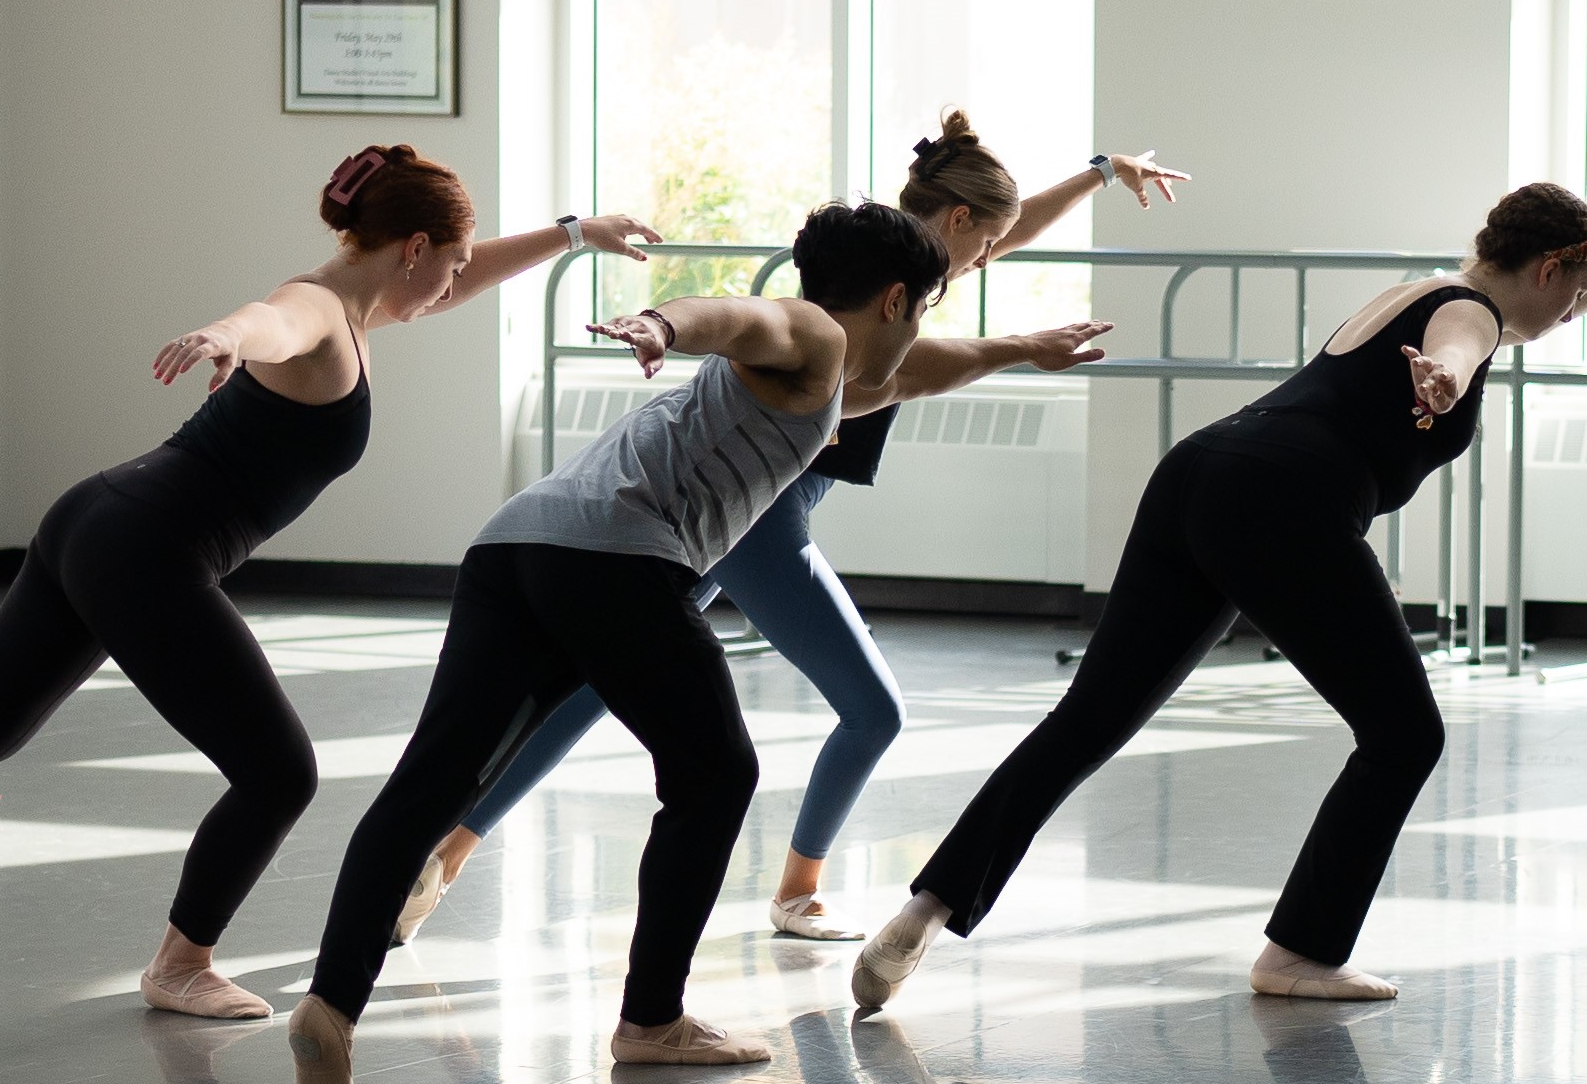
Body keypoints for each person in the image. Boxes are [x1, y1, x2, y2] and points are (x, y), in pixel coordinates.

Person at [0, 146, 662, 1025]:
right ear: (412, 247)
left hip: (93, 516)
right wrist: (226, 333)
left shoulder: (364, 300)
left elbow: (433, 287)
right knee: (281, 771)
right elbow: (274, 319)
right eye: (448, 262)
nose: (453, 283)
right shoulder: (318, 311)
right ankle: (181, 961)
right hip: (146, 551)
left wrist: (576, 233)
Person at [848, 183, 1587, 1010]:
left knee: (1090, 717)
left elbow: (1506, 322)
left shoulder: (1430, 290)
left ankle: (923, 910)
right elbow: (1468, 341)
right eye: (1579, 288)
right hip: (1283, 499)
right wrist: (1445, 378)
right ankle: (1301, 950)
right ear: (1548, 267)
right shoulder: (1466, 319)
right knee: (1406, 732)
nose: (1571, 308)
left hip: (1200, 471)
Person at [398, 114, 1186, 943]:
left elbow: (1008, 225)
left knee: (596, 680)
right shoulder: (880, 293)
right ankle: (798, 890)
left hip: (744, 507)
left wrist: (1099, 172)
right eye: (983, 243)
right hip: (761, 514)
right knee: (871, 710)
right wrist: (1026, 343)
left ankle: (442, 856)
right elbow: (854, 354)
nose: (992, 257)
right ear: (952, 226)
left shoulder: (893, 260)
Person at [287, 202, 951, 1084]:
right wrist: (664, 323)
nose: (918, 336)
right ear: (896, 297)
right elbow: (732, 313)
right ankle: (650, 1020)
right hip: (616, 555)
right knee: (715, 771)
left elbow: (933, 365)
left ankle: (331, 1004)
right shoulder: (815, 333)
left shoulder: (827, 376)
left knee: (433, 781)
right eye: (921, 314)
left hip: (515, 543)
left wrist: (1027, 350)